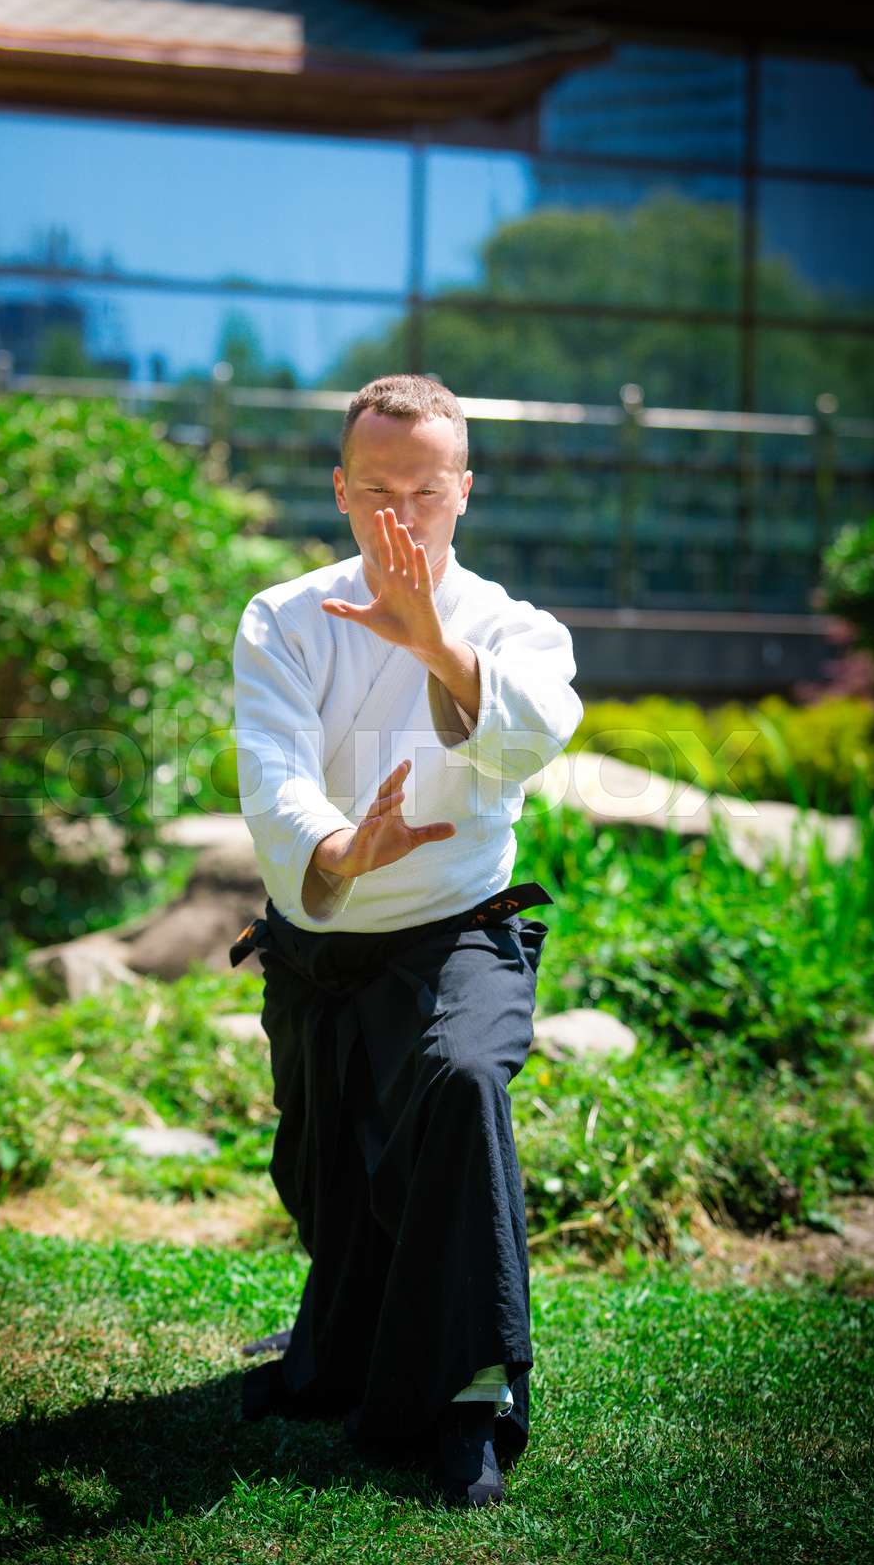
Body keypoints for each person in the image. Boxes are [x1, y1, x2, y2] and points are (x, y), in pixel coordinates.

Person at [229, 374, 583, 1507]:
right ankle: (343, 1349)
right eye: (375, 487)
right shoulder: (280, 616)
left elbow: (532, 738)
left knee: (465, 1082)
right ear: (339, 487)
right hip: (323, 943)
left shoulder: (512, 627)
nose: (400, 514)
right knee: (327, 1176)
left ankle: (476, 1394)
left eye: (424, 490)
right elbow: (272, 772)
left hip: (460, 932)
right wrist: (338, 847)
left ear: (462, 490)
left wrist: (436, 645)